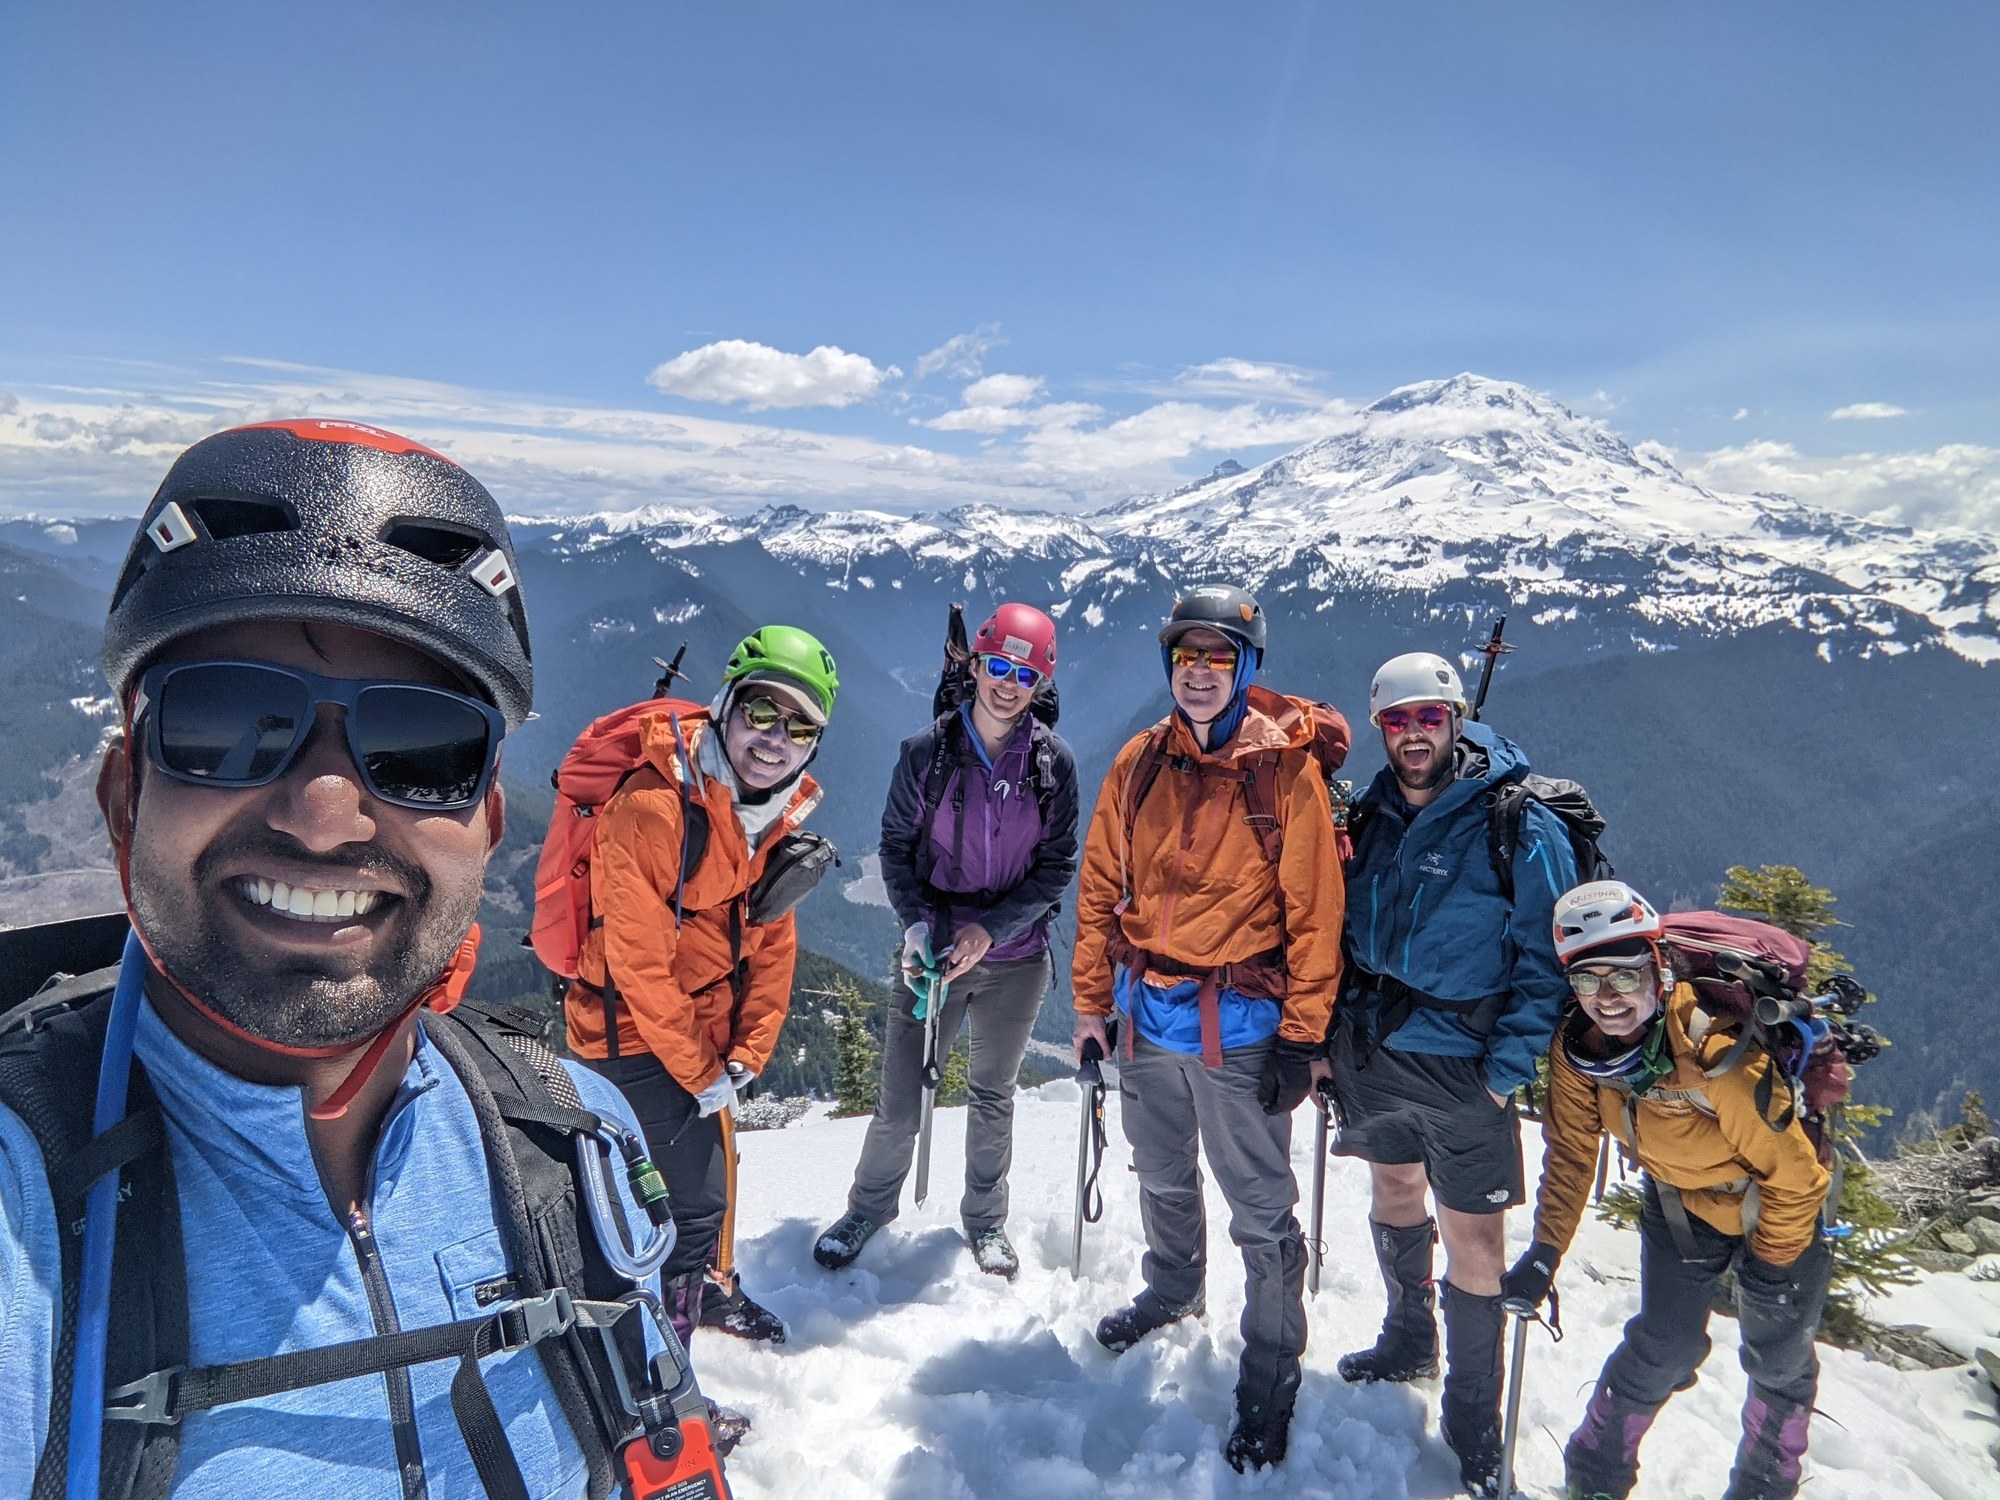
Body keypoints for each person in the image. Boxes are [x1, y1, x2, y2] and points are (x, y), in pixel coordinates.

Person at [0, 420, 683, 1498]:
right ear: (124, 796)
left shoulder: (575, 1141)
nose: (326, 817)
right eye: (227, 723)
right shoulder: (24, 1213)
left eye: (421, 749)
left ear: (489, 823)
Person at [1072, 584, 1344, 1473]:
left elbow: (1314, 917)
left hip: (1244, 1028)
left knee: (1262, 1214)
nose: (1199, 673)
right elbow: (1101, 888)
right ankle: (1172, 1291)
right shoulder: (1140, 761)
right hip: (1150, 1016)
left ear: (1247, 665)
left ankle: (1270, 1376)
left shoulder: (1285, 773)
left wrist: (1303, 1040)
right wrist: (1089, 1005)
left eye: (1218, 657)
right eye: (1187, 658)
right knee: (1161, 1173)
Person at [1326, 650, 1577, 1497]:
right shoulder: (1372, 813)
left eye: (1427, 717)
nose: (1412, 735)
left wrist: (1503, 1075)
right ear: (1380, 730)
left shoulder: (1518, 823)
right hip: (1377, 1048)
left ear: (1456, 718)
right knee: (1393, 1190)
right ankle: (1409, 1336)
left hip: (1469, 1061)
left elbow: (1550, 958)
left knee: (1474, 1236)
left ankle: (1473, 1414)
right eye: (1395, 722)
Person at [1503, 881, 1833, 1500]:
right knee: (1665, 1346)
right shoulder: (1580, 1055)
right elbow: (1573, 1154)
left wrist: (1771, 1262)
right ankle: (1595, 1475)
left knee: (1778, 1363)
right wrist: (1544, 1254)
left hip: (1778, 1212)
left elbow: (1796, 1178)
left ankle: (1765, 1487)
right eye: (1587, 981)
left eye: (1624, 978)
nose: (1607, 999)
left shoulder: (1715, 1055)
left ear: (1656, 971)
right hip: (1681, 1207)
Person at [564, 625, 838, 1351]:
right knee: (669, 1213)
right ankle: (663, 1374)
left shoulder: (768, 815)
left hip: (700, 1039)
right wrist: (702, 1071)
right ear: (725, 706)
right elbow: (638, 965)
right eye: (762, 712)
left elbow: (772, 937)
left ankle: (699, 1297)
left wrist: (749, 1048)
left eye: (801, 724)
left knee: (704, 1195)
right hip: (627, 1036)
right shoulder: (651, 809)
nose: (777, 738)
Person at [815, 603, 1079, 1279]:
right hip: (932, 954)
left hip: (1015, 961)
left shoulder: (1053, 766)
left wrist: (992, 930)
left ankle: (986, 1222)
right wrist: (915, 929)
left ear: (1041, 684)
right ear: (975, 665)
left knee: (994, 1094)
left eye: (1024, 673)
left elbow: (1056, 870)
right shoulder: (925, 755)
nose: (1007, 683)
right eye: (997, 666)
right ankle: (869, 1207)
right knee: (900, 1096)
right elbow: (897, 851)